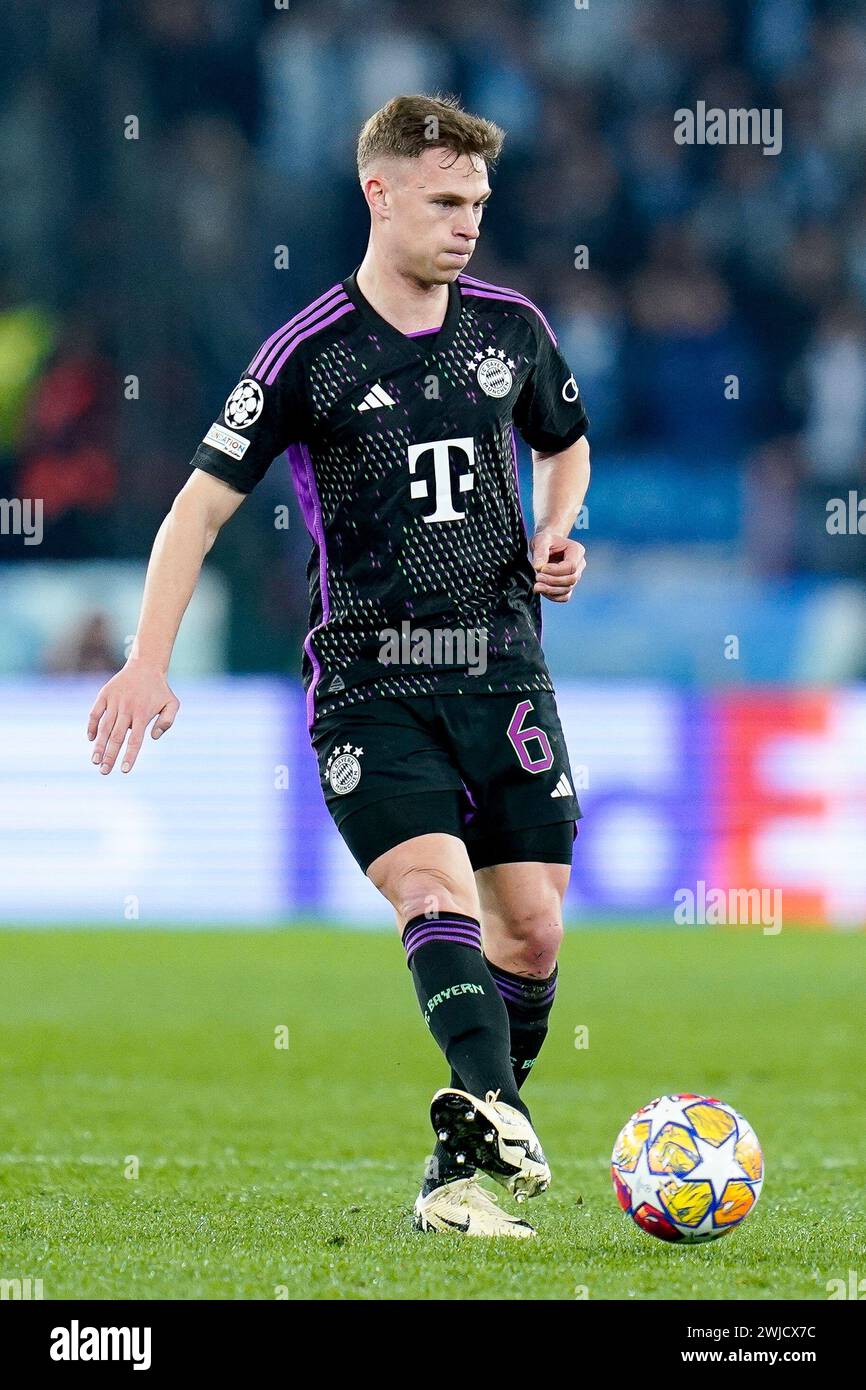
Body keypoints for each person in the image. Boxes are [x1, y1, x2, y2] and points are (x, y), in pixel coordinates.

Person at [87, 93, 591, 1238]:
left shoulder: (512, 329)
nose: (468, 224)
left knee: (533, 932)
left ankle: (454, 1183)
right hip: (371, 683)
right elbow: (194, 512)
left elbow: (566, 446)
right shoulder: (305, 353)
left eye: (478, 203)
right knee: (430, 892)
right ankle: (498, 1104)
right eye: (445, 200)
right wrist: (146, 663)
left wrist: (560, 530)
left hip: (504, 673)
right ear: (380, 191)